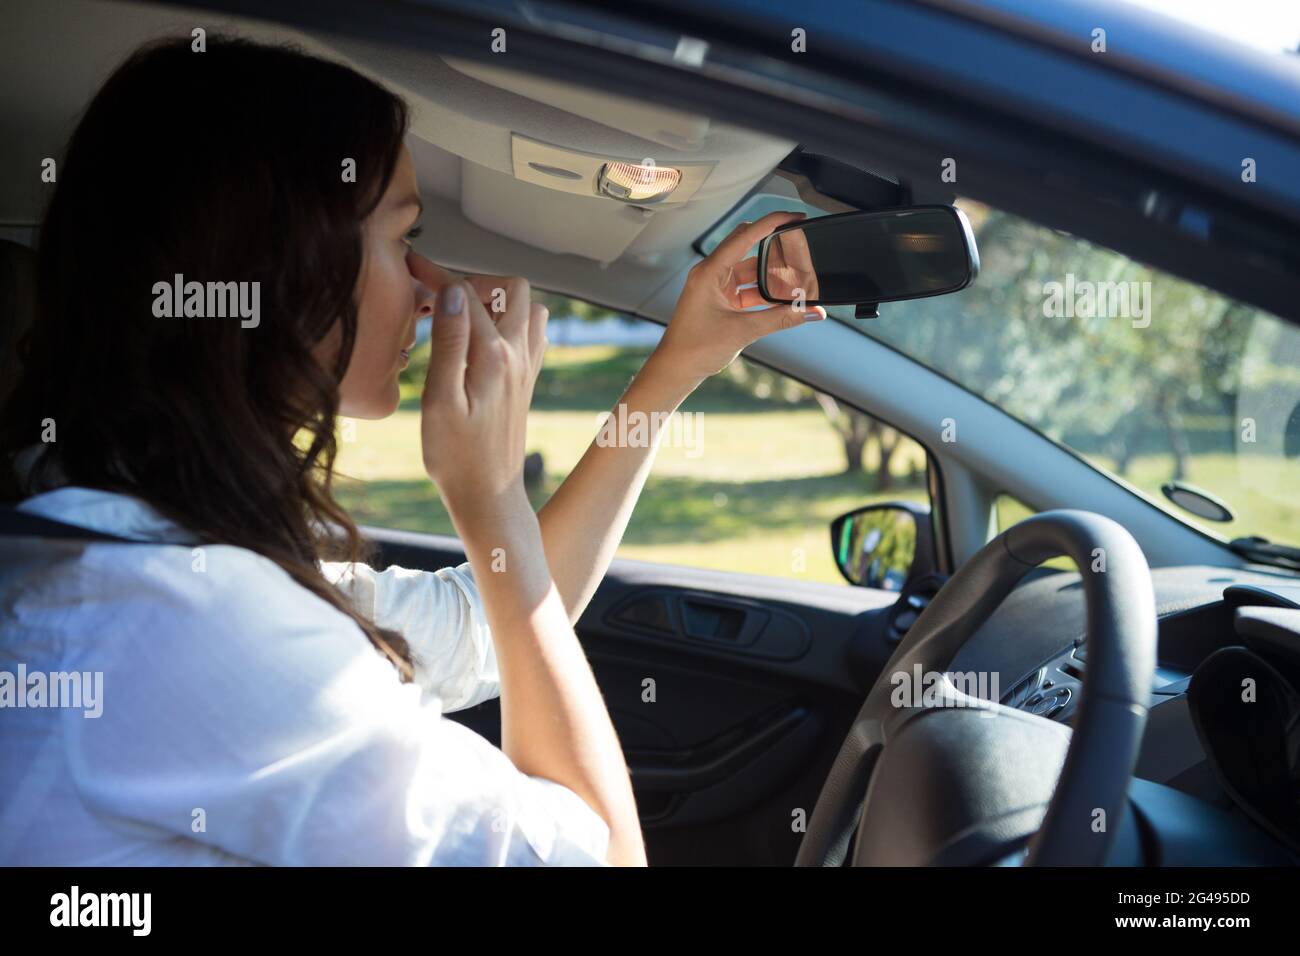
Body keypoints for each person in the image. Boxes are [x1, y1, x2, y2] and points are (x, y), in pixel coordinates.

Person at [0, 35, 824, 866]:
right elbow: (602, 856)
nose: (432, 288)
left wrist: (673, 369)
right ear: (288, 273)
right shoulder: (186, 618)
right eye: (402, 239)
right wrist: (492, 497)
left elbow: (478, 628)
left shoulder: (125, 535)